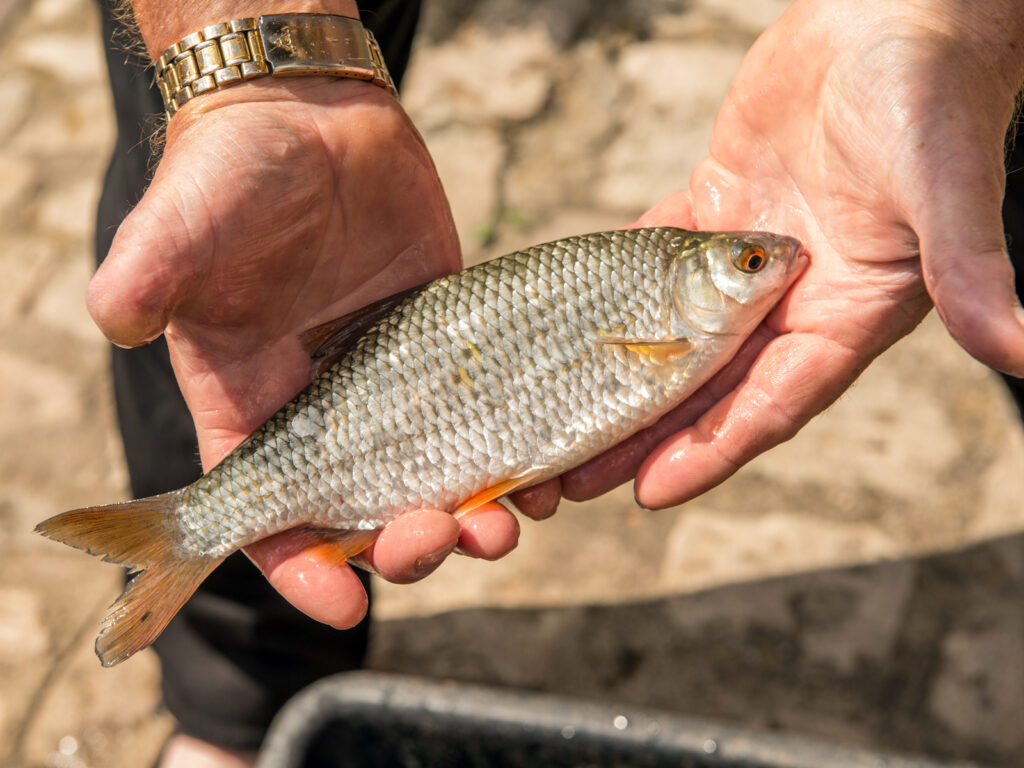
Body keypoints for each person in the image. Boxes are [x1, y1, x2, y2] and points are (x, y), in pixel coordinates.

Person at [91, 0, 1024, 765]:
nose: (775, 263)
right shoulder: (676, 324)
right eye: (745, 262)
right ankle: (232, 705)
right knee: (232, 279)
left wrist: (944, 25)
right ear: (689, 284)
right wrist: (256, 74)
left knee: (967, 154)